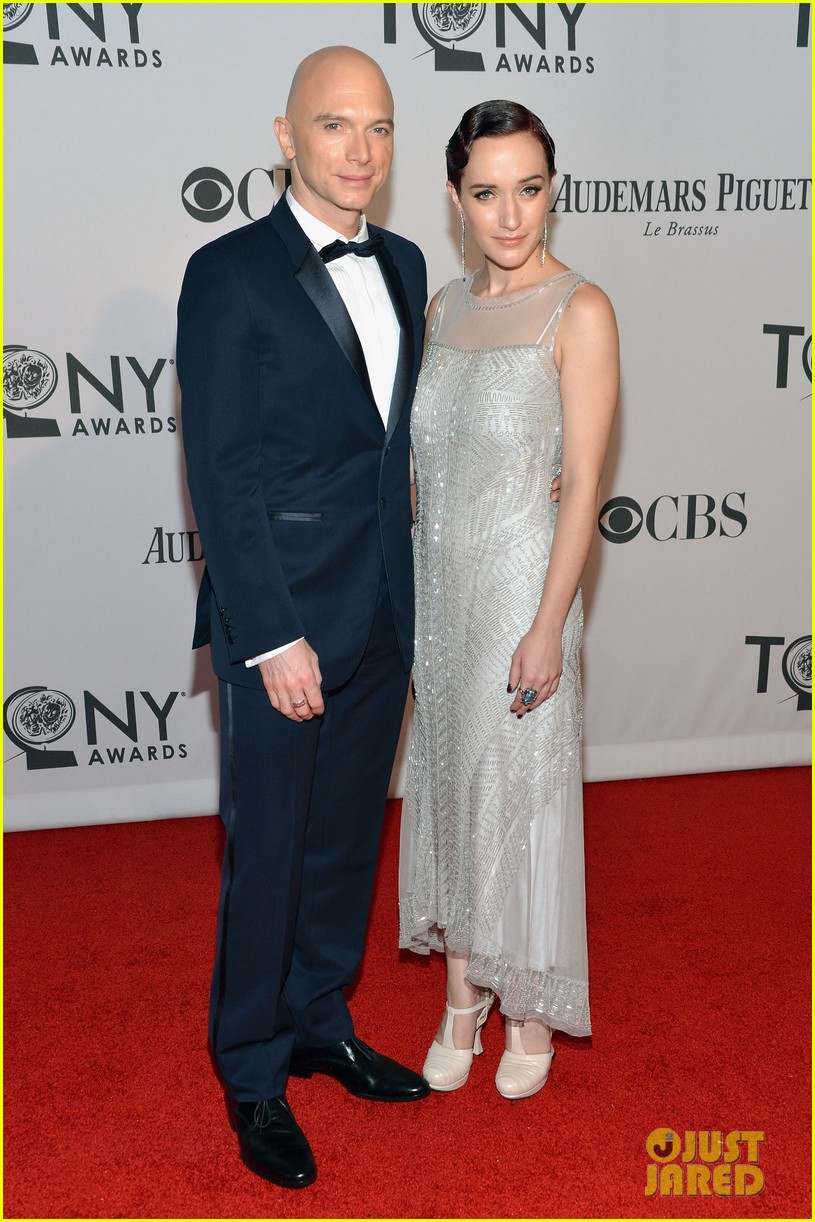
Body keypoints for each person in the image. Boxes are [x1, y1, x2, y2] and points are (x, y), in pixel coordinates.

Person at [176, 46, 430, 1190]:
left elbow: (389, 452)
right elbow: (221, 471)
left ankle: (321, 1019)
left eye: (376, 128)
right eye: (335, 127)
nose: (360, 152)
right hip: (284, 620)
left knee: (341, 844)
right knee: (269, 850)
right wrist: (269, 634)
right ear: (285, 137)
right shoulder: (226, 273)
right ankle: (250, 1069)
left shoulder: (411, 260)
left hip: (382, 606)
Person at [399, 100, 619, 1100]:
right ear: (453, 199)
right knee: (450, 791)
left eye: (527, 188)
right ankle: (461, 997)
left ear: (551, 190)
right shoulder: (441, 309)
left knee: (516, 802)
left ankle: (522, 1007)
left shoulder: (579, 310)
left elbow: (584, 481)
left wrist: (545, 625)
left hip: (523, 591)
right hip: (440, 599)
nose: (508, 212)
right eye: (485, 191)